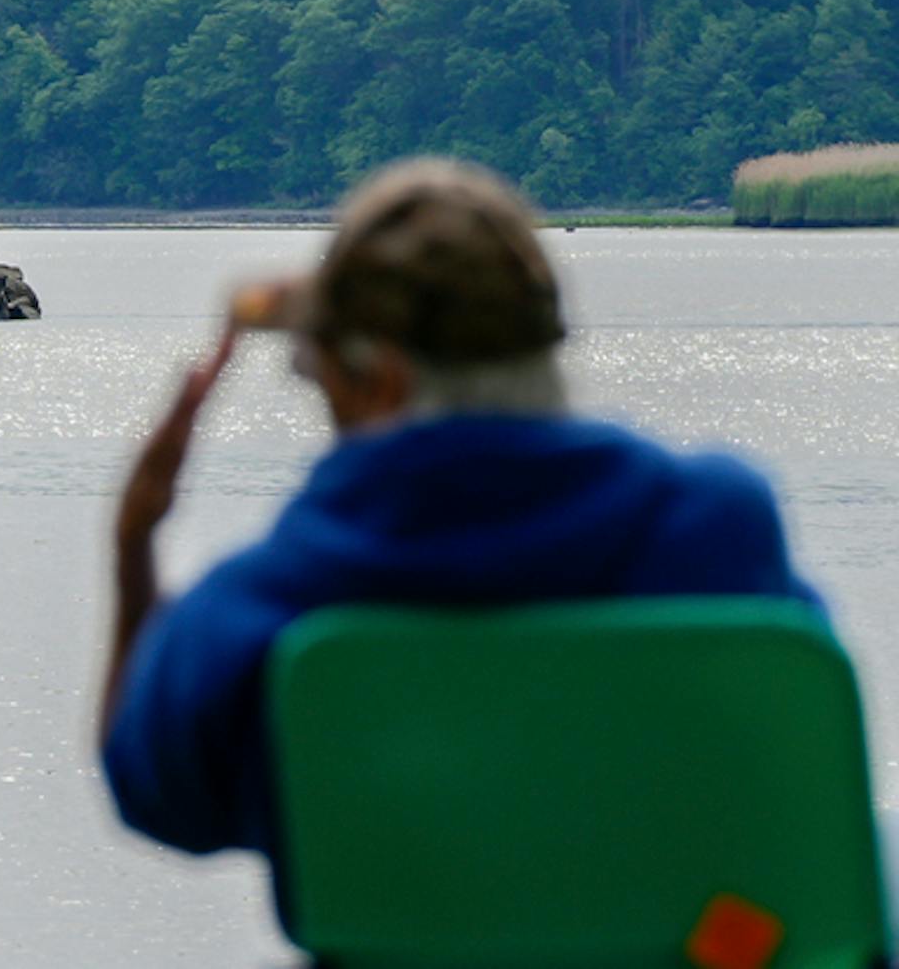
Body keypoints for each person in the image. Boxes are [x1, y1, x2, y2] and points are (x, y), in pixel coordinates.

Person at [99, 157, 819, 867]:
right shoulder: (718, 535)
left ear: (379, 382)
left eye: (319, 383)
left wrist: (135, 543)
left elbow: (150, 792)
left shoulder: (262, 612)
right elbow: (798, 756)